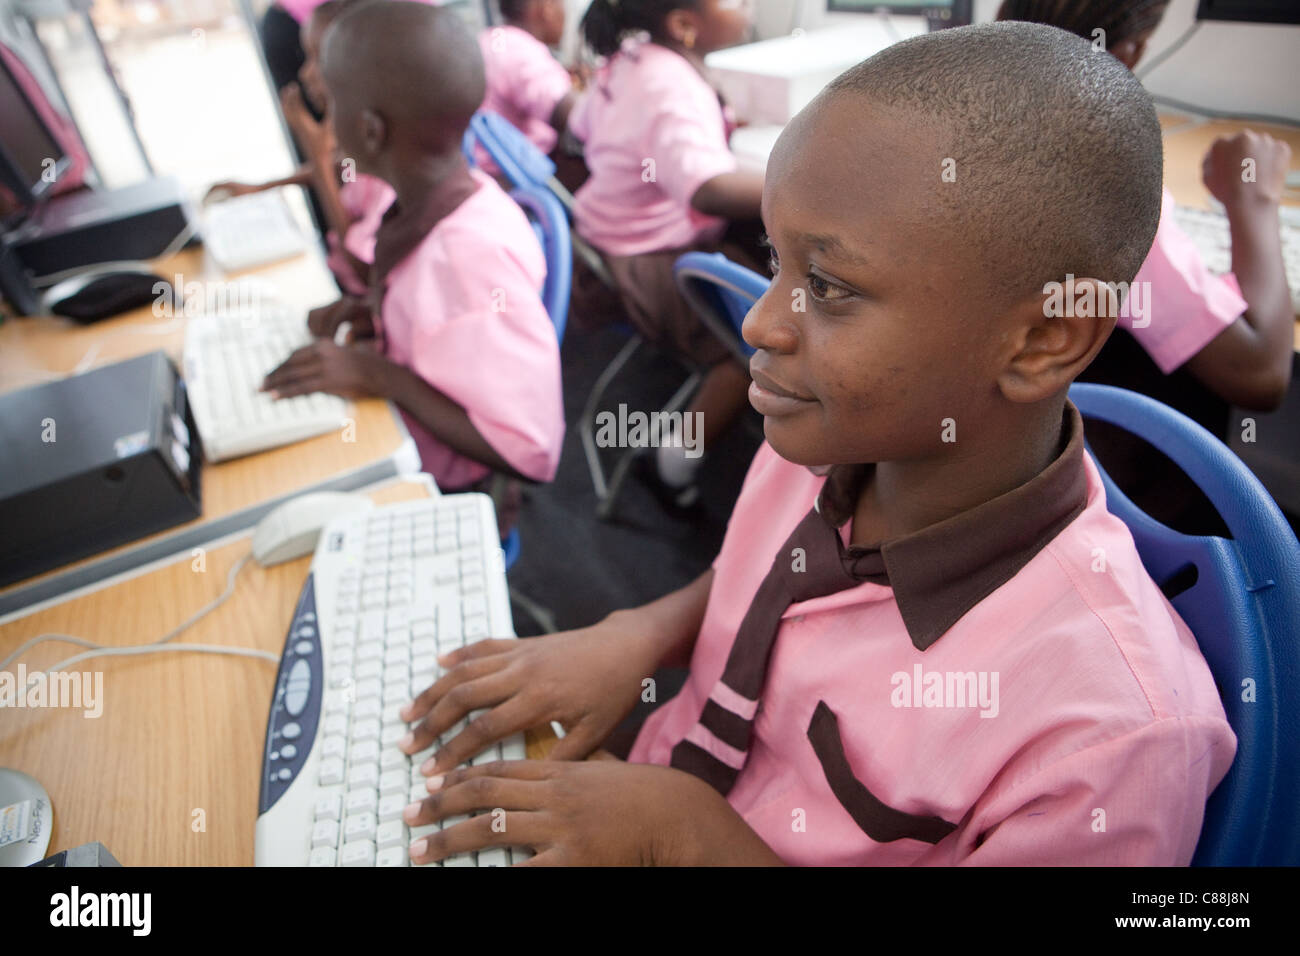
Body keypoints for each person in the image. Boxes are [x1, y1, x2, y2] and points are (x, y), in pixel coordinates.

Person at [393, 23, 1235, 866]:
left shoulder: (1112, 741)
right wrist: (641, 633)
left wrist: (684, 832)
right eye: (775, 260)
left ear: (1043, 341)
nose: (759, 320)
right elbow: (764, 579)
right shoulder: (823, 441)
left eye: (827, 287)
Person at [262, 1, 565, 533]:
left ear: (371, 133)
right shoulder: (424, 209)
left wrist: (381, 374)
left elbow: (532, 452)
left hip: (446, 495)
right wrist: (376, 314)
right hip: (403, 437)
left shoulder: (467, 253)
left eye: (332, 103)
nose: (324, 117)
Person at [999, 0, 1295, 533]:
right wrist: (1252, 199)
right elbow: (1261, 375)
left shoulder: (972, 128)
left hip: (996, 471)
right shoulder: (1108, 185)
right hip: (1103, 503)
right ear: (1131, 51)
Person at [568, 0, 764, 508]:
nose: (750, 4)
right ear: (683, 25)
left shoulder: (629, 59)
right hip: (650, 260)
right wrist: (806, 184)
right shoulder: (669, 81)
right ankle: (671, 465)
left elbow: (584, 127)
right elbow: (706, 190)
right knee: (751, 346)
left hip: (605, 245)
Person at [210, 0, 395, 295]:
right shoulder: (354, 147)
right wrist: (261, 187)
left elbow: (366, 274)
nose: (305, 74)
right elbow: (343, 170)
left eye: (316, 60)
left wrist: (318, 157)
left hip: (365, 296)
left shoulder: (388, 168)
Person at [477, 0, 577, 162]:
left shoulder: (490, 38)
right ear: (547, 7)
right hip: (517, 174)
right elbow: (570, 114)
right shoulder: (521, 49)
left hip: (488, 167)